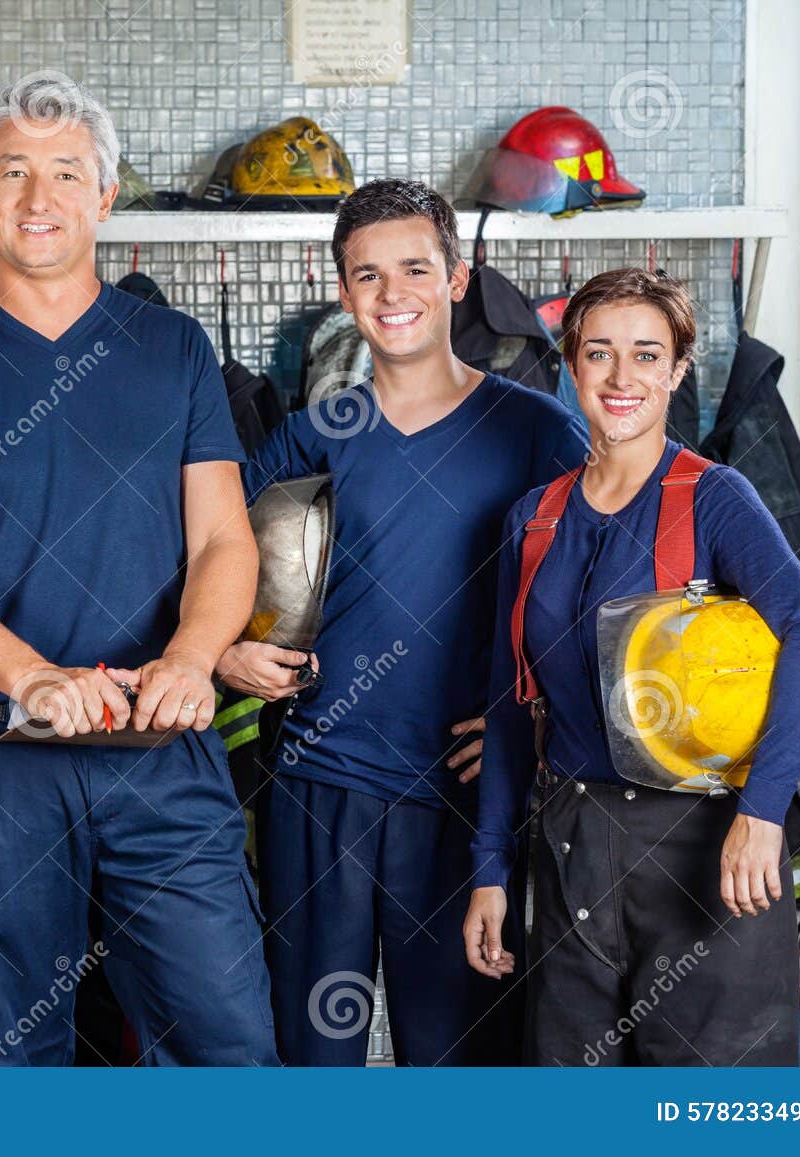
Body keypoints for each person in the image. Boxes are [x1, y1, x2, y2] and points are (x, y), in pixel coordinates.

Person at [0, 71, 278, 1066]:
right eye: (14, 172)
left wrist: (190, 657)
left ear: (104, 195)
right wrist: (30, 676)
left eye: (65, 173)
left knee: (226, 1044)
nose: (38, 197)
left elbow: (226, 539)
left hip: (158, 740)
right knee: (18, 1058)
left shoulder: (174, 349)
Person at [221, 178, 585, 1065]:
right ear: (342, 291)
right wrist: (226, 649)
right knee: (314, 1058)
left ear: (458, 279)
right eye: (368, 275)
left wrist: (532, 721)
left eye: (415, 269)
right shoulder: (317, 431)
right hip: (319, 782)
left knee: (458, 1061)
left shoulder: (537, 429)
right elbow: (216, 555)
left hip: (463, 800)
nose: (393, 295)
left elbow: (594, 597)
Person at [463, 267, 800, 1065]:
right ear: (569, 366)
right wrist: (489, 869)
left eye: (647, 355)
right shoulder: (532, 520)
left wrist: (765, 809)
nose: (620, 377)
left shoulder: (717, 498)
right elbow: (509, 706)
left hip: (705, 845)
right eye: (598, 353)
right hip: (572, 840)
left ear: (677, 372)